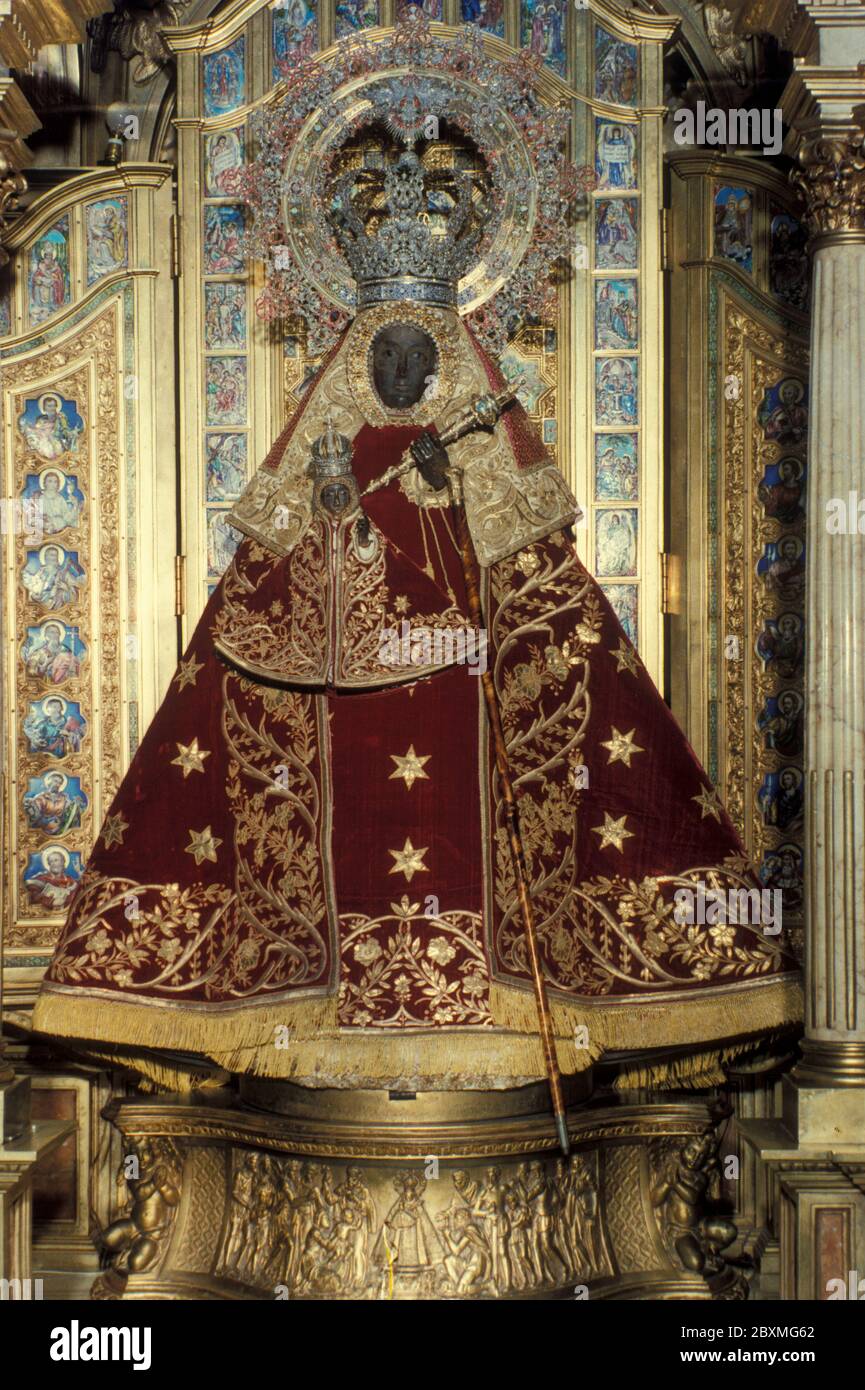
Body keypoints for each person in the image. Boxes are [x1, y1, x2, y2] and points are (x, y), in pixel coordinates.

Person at [33, 145, 798, 1093]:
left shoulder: (471, 455)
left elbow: (538, 608)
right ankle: (293, 1008)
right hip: (339, 725)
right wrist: (328, 503)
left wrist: (448, 490)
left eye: (416, 358)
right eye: (384, 355)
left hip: (462, 706)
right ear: (359, 363)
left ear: (442, 370)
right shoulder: (332, 450)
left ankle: (525, 999)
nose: (399, 371)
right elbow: (266, 612)